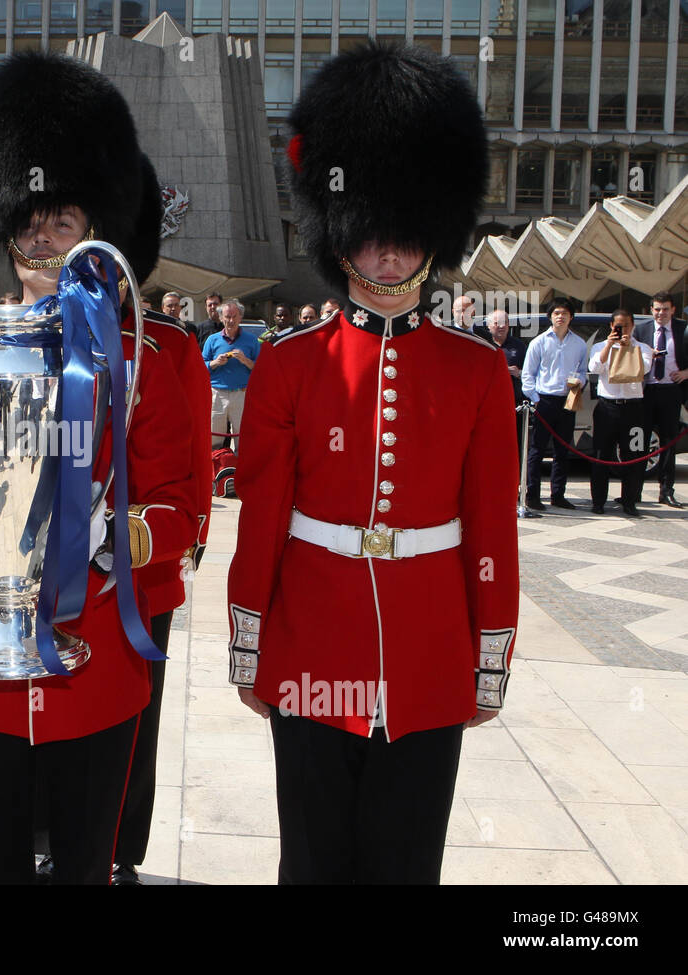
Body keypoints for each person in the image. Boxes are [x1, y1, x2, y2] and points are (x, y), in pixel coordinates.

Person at [229, 41, 518, 884]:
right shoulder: (290, 363)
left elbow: (492, 521)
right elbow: (264, 515)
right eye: (369, 241)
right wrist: (251, 641)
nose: (387, 260)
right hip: (312, 642)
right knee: (313, 861)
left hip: (431, 652)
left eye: (403, 240)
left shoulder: (476, 370)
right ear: (340, 239)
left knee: (405, 862)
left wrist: (490, 649)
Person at [0, 49, 199, 885]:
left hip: (99, 656)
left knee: (87, 865)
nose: (43, 240)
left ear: (97, 231)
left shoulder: (152, 355)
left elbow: (181, 505)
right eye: (28, 223)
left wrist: (110, 540)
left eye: (63, 221)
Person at [110, 159, 212, 885]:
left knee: (134, 720)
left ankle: (118, 849)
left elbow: (196, 459)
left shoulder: (170, 345)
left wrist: (183, 542)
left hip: (141, 570)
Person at [521, 296, 589, 511]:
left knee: (563, 450)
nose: (561, 317)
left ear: (571, 317)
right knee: (537, 450)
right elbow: (528, 375)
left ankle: (558, 494)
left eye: (565, 314)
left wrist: (580, 381)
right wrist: (536, 400)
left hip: (567, 400)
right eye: (557, 313)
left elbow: (582, 370)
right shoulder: (538, 342)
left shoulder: (578, 344)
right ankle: (532, 495)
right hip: (544, 400)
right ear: (550, 316)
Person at [589, 310, 653, 516]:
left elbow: (643, 369)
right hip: (607, 407)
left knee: (633, 455)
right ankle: (598, 501)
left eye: (626, 325)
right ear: (611, 326)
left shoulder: (642, 348)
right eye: (618, 325)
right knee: (601, 455)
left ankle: (629, 501)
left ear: (633, 326)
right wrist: (610, 345)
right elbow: (595, 367)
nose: (622, 329)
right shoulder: (600, 346)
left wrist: (628, 348)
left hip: (634, 408)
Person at [633, 292, 688, 507]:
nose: (661, 313)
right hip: (645, 391)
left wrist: (685, 373)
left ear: (673, 310)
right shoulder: (642, 329)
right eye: (657, 309)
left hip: (671, 390)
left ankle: (666, 490)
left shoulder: (683, 329)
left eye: (665, 309)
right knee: (639, 441)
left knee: (668, 441)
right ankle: (633, 491)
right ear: (651, 310)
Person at [202, 299, 260, 449]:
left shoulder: (252, 340)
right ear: (221, 318)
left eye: (234, 316)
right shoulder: (212, 340)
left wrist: (245, 360)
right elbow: (201, 366)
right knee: (214, 439)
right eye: (227, 317)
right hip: (217, 395)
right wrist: (215, 363)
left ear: (240, 317)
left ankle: (243, 471)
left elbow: (261, 369)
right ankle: (216, 469)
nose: (231, 320)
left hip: (242, 394)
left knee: (244, 439)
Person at [484, 309, 528, 459]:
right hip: (487, 404)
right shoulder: (482, 344)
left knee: (514, 444)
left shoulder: (519, 346)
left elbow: (529, 373)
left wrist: (518, 373)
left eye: (505, 323)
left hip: (514, 404)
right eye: (497, 323)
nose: (501, 326)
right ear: (489, 326)